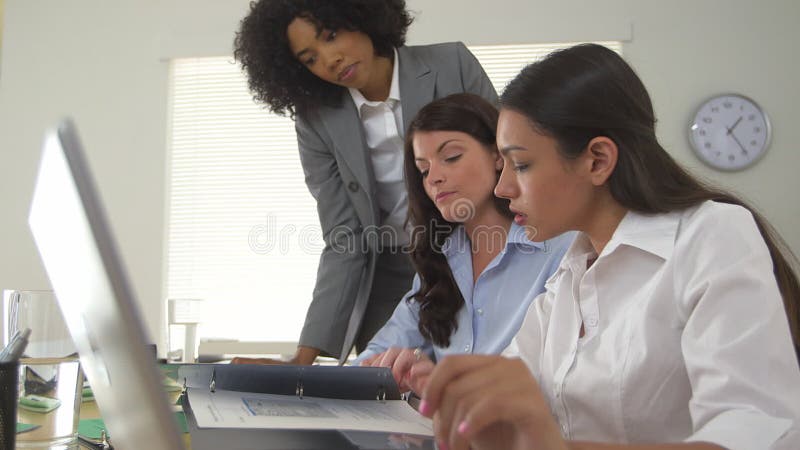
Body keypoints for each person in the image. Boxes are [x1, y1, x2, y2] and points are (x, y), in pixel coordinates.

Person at [413, 44, 800, 450]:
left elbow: (753, 436)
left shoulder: (711, 236)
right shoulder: (569, 273)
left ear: (597, 160)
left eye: (522, 165)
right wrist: (439, 390)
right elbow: (505, 393)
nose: (502, 187)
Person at [231, 0, 497, 364]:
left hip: (477, 253)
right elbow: (344, 238)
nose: (330, 59)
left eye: (331, 36)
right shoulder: (316, 120)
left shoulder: (451, 64)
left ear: (362, 16)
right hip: (386, 278)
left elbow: (506, 163)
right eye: (309, 58)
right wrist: (301, 363)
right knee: (380, 390)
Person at [353, 94, 573, 391]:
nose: (434, 178)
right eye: (424, 169)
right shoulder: (439, 260)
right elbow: (375, 356)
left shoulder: (560, 247)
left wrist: (442, 385)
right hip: (443, 432)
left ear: (498, 155)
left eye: (451, 157)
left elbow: (565, 377)